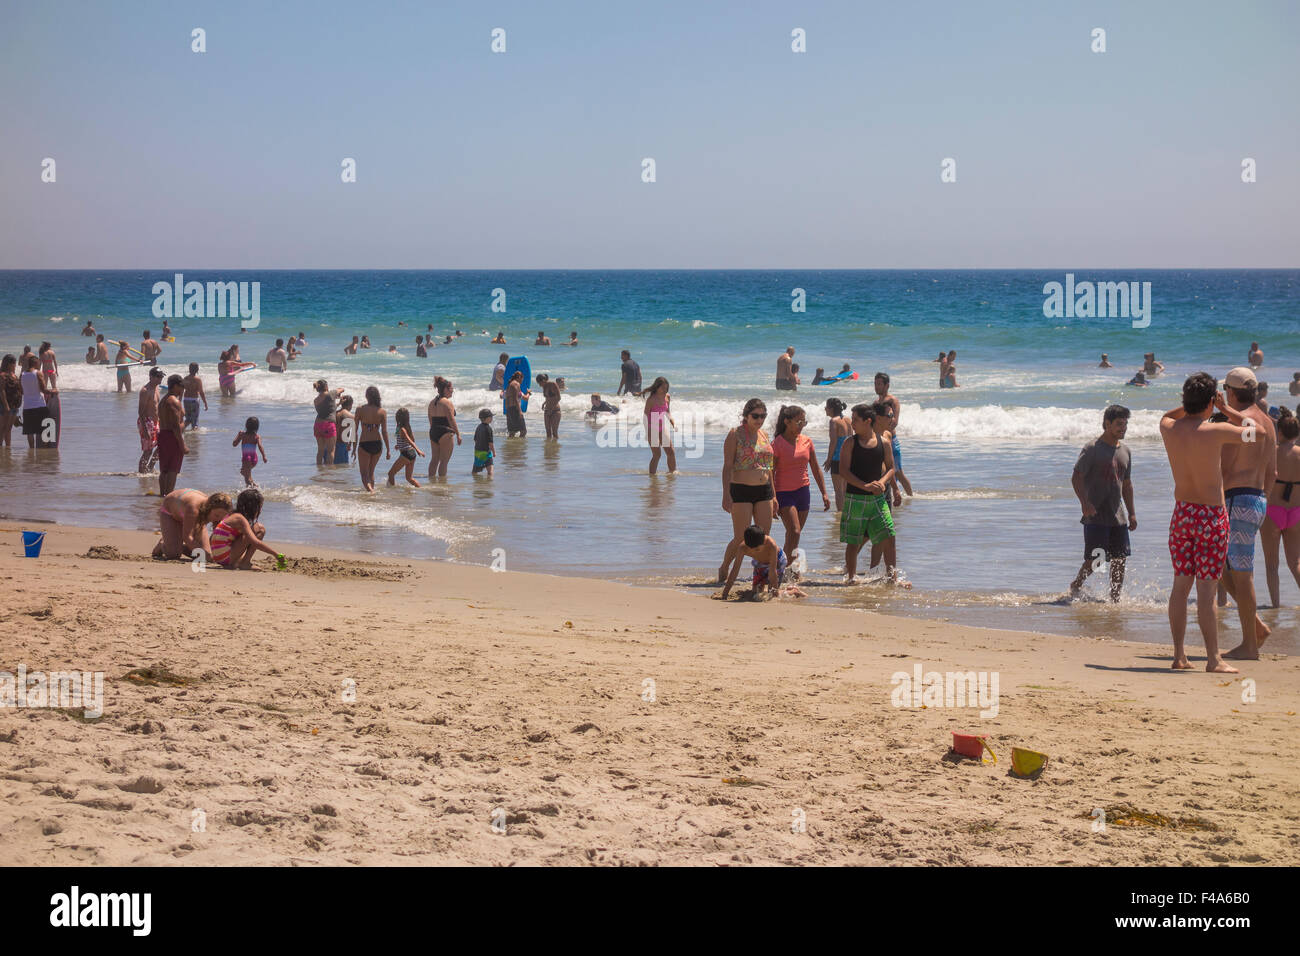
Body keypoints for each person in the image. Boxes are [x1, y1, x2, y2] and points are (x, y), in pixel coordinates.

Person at [1158, 372, 1251, 673]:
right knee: (1207, 592)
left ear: (1185, 400)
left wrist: (1192, 406)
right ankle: (1213, 659)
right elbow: (1255, 431)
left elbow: (1165, 415)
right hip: (1210, 516)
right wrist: (1225, 409)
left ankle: (1178, 656)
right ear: (1211, 400)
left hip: (1182, 513)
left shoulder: (1169, 428)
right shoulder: (1217, 430)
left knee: (1180, 587)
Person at [1217, 367, 1276, 660]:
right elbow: (1272, 471)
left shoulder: (1243, 423)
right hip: (1257, 499)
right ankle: (1256, 628)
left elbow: (1224, 468)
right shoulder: (1269, 420)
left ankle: (1250, 645)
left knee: (1241, 575)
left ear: (1230, 391)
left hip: (1236, 499)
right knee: (1218, 568)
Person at [1068, 405, 1136, 602]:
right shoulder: (1092, 449)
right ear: (1107, 424)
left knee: (1119, 559)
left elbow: (1127, 484)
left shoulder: (1126, 451)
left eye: (1125, 424)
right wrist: (1085, 503)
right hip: (1096, 516)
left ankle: (1114, 598)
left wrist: (1131, 513)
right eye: (1118, 424)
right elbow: (1076, 477)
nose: (1123, 428)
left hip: (1118, 516)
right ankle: (1076, 585)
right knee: (1096, 561)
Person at [839, 403, 902, 585]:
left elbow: (891, 468)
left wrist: (882, 483)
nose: (853, 424)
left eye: (856, 420)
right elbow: (843, 470)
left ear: (868, 421)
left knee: (889, 535)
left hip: (877, 498)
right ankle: (851, 578)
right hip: (855, 498)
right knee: (853, 541)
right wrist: (864, 486)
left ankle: (892, 578)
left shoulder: (884, 442)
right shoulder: (850, 443)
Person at [718, 399, 776, 582]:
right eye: (755, 416)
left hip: (764, 490)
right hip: (741, 490)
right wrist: (725, 494)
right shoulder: (735, 434)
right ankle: (724, 568)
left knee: (763, 538)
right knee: (741, 537)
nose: (759, 419)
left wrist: (774, 495)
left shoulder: (765, 435)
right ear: (746, 416)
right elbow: (727, 466)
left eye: (763, 416)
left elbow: (769, 468)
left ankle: (760, 576)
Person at [771, 405, 830, 576]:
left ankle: (783, 568)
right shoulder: (777, 444)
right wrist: (773, 497)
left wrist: (824, 493)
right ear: (787, 422)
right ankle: (785, 568)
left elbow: (816, 468)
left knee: (793, 536)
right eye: (798, 421)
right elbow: (770, 473)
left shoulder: (807, 441)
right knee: (795, 531)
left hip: (803, 492)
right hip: (784, 493)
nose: (802, 425)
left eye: (804, 421)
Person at [1262, 408, 1300, 609]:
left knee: (1272, 565)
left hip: (1272, 511)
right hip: (1296, 512)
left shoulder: (1273, 452)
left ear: (1281, 433)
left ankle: (1275, 606)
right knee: (1295, 563)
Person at [718, 525, 805, 601]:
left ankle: (794, 591)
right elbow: (735, 570)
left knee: (772, 594)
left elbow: (772, 571)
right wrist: (725, 594)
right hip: (759, 562)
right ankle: (786, 589)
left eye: (757, 549)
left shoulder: (771, 544)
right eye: (751, 549)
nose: (753, 551)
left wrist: (774, 591)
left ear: (764, 541)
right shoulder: (742, 547)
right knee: (755, 594)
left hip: (778, 561)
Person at [208, 489, 284, 570]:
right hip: (224, 557)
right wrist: (276, 554)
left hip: (217, 556)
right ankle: (245, 563)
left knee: (250, 530)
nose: (260, 511)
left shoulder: (232, 515)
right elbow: (255, 542)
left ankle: (238, 562)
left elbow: (212, 537)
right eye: (260, 507)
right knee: (260, 529)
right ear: (253, 507)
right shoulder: (240, 519)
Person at [153, 490, 231, 560]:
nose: (218, 520)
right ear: (209, 508)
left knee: (207, 556)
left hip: (191, 515)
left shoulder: (214, 512)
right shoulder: (193, 509)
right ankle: (163, 544)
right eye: (216, 516)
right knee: (174, 554)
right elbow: (187, 537)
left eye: (222, 518)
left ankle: (177, 544)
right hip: (170, 511)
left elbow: (216, 537)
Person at [873, 373, 914, 501]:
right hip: (879, 440)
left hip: (891, 441)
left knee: (897, 472)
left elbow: (895, 421)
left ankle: (910, 497)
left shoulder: (893, 401)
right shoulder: (875, 402)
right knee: (883, 470)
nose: (876, 386)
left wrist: (884, 434)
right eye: (875, 383)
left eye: (879, 384)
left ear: (887, 385)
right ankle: (888, 495)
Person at [157, 375, 188, 495]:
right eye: (182, 387)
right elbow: (175, 426)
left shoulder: (164, 400)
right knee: (173, 469)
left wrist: (181, 394)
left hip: (163, 435)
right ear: (175, 386)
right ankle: (168, 496)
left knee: (164, 469)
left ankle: (162, 495)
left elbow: (181, 413)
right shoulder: (174, 402)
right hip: (172, 436)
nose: (183, 389)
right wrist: (183, 445)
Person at [355, 386, 389, 491]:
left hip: (365, 443)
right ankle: (372, 497)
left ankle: (371, 492)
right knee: (371, 472)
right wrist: (388, 449)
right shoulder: (382, 411)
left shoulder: (360, 409)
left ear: (367, 396)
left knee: (364, 474)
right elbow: (384, 432)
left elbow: (354, 429)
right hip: (378, 444)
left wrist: (350, 444)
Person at [427, 376, 462, 477]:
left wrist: (433, 430)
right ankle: (442, 484)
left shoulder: (431, 403)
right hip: (445, 432)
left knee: (434, 460)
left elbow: (430, 418)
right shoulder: (447, 403)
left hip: (433, 431)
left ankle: (431, 481)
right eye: (451, 389)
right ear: (445, 389)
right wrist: (458, 434)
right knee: (444, 461)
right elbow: (451, 419)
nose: (452, 391)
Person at [822, 398, 851, 510]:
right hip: (849, 458)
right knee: (845, 490)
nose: (825, 409)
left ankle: (840, 516)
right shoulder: (848, 420)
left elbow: (833, 442)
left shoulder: (833, 421)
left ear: (831, 409)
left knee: (838, 490)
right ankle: (847, 512)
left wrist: (829, 460)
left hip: (838, 459)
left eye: (826, 407)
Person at [643, 376, 676, 474]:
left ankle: (672, 473)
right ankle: (652, 477)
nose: (664, 390)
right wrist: (647, 433)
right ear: (657, 387)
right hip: (652, 429)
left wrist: (672, 422)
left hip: (662, 428)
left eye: (666, 388)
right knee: (657, 455)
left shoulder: (667, 397)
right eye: (662, 388)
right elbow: (645, 416)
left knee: (671, 452)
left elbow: (667, 412)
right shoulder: (651, 400)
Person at [19, 354, 53, 450]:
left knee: (29, 431)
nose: (40, 364)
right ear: (35, 363)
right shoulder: (38, 373)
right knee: (45, 429)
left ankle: (31, 449)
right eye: (39, 363)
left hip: (27, 406)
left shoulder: (22, 374)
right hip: (39, 405)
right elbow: (44, 390)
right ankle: (45, 449)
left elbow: (21, 391)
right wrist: (53, 391)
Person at [387, 407, 425, 487]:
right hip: (411, 454)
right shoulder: (407, 428)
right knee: (409, 478)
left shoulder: (402, 429)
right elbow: (410, 440)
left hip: (406, 453)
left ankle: (392, 492)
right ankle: (421, 488)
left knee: (391, 473)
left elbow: (410, 441)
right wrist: (399, 445)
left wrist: (418, 451)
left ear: (397, 417)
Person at [137, 367, 164, 471]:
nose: (160, 379)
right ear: (151, 377)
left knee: (161, 446)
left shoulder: (157, 388)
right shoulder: (145, 391)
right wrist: (145, 429)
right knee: (148, 451)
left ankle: (150, 468)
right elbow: (141, 411)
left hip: (156, 421)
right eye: (158, 376)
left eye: (161, 376)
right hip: (147, 422)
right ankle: (142, 473)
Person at [313, 380, 345, 465]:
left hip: (318, 425)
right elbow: (342, 389)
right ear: (326, 387)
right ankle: (329, 473)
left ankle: (319, 470)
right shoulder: (331, 394)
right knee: (331, 450)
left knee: (320, 450)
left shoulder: (316, 400)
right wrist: (337, 394)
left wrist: (338, 403)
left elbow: (329, 409)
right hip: (328, 425)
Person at [233, 416, 267, 487]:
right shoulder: (257, 436)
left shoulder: (243, 435)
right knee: (244, 473)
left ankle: (254, 489)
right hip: (254, 458)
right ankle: (253, 488)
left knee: (246, 478)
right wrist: (264, 456)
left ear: (246, 425)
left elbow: (234, 444)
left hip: (247, 458)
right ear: (257, 427)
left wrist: (238, 435)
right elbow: (260, 446)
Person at [0, 354, 20, 448]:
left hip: (14, 405)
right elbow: (2, 390)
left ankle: (8, 447)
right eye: (14, 363)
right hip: (5, 406)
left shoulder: (14, 375)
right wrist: (6, 406)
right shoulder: (3, 375)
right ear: (8, 364)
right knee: (3, 428)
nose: (15, 365)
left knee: (9, 428)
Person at [536, 373, 562, 440]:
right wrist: (544, 403)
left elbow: (558, 398)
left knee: (554, 432)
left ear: (544, 380)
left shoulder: (552, 384)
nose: (539, 385)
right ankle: (548, 449)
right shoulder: (544, 386)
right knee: (548, 432)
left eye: (540, 383)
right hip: (547, 410)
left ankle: (555, 448)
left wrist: (552, 409)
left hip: (555, 411)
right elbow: (549, 397)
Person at [182, 363, 207, 430]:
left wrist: (180, 400)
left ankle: (181, 429)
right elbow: (201, 392)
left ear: (189, 369)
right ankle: (194, 437)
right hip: (194, 400)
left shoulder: (185, 378)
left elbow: (181, 390)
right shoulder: (197, 380)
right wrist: (205, 403)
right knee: (194, 421)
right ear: (197, 370)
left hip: (186, 400)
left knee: (188, 419)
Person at [505, 371, 528, 437]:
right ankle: (519, 446)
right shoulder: (516, 384)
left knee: (512, 432)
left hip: (509, 409)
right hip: (515, 409)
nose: (522, 381)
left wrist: (507, 411)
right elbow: (516, 399)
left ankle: (511, 446)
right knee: (523, 431)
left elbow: (507, 399)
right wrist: (520, 411)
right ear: (519, 377)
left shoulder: (509, 385)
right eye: (522, 379)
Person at [472, 409, 495, 476]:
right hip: (486, 452)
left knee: (475, 470)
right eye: (491, 417)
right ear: (487, 418)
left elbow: (475, 440)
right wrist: (494, 452)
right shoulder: (488, 428)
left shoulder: (478, 427)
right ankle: (489, 481)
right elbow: (490, 443)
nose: (492, 418)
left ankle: (475, 480)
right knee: (490, 469)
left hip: (478, 451)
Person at [334, 395, 356, 465]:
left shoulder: (334, 414)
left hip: (330, 445)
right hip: (342, 445)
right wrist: (353, 448)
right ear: (351, 404)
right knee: (341, 469)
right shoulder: (351, 416)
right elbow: (353, 435)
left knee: (329, 468)